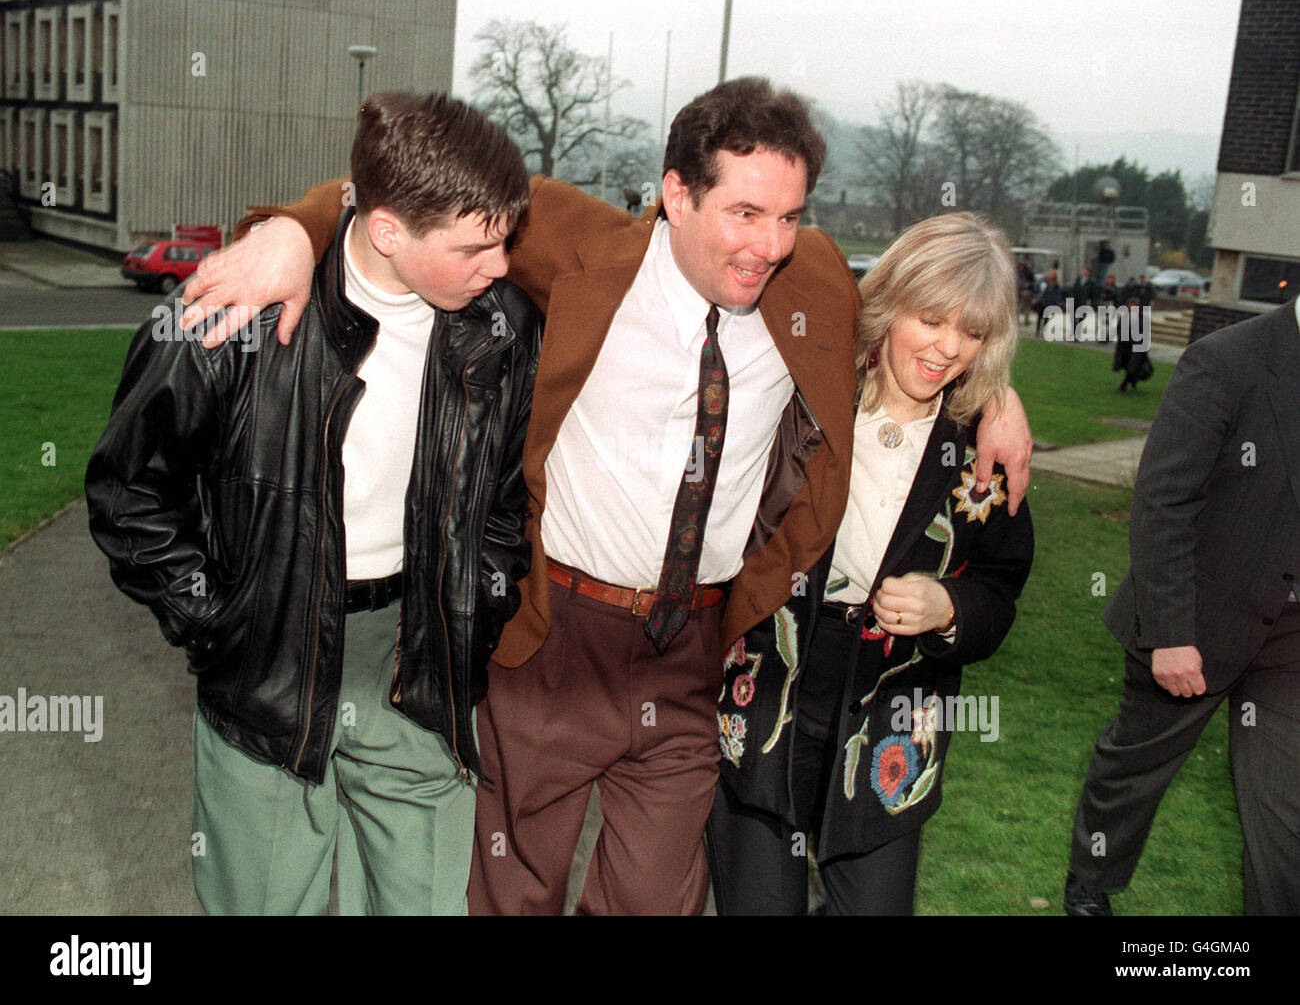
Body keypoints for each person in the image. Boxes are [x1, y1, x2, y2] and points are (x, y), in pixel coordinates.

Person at [179, 76, 1035, 915]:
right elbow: (409, 197)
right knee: (513, 890)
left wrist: (995, 400)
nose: (770, 243)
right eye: (745, 212)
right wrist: (295, 230)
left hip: (697, 649)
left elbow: (925, 325)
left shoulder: (810, 280)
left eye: (789, 215)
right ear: (676, 193)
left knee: (656, 896)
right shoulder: (572, 238)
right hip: (556, 638)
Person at [84, 91, 542, 914]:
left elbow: (504, 500)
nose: (503, 264)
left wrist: (480, 609)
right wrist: (219, 622)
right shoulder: (231, 317)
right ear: (388, 230)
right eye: (478, 246)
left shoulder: (505, 327)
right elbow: (129, 492)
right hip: (271, 663)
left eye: (507, 239)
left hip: (418, 666)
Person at [708, 212, 1034, 915]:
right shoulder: (804, 394)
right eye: (932, 318)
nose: (948, 348)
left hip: (893, 715)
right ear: (889, 303)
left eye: (972, 332)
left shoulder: (983, 453)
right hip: (770, 692)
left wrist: (950, 607)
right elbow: (798, 255)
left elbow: (1003, 587)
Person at [1065, 296, 1300, 916]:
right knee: (1134, 771)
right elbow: (1163, 501)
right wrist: (1170, 632)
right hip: (1198, 617)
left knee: (1285, 808)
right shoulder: (1225, 361)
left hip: (1292, 640)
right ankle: (1089, 889)